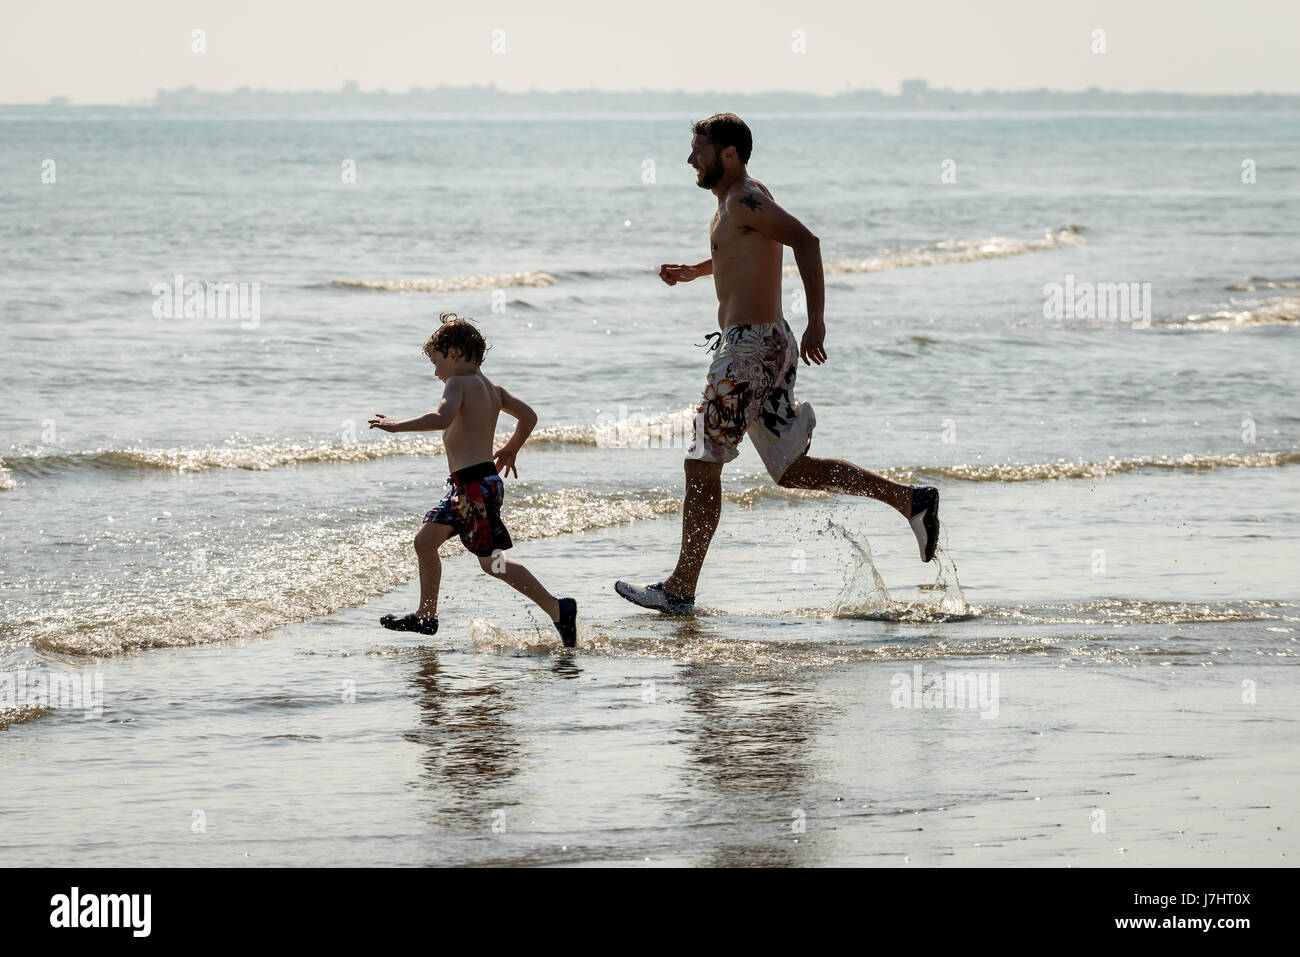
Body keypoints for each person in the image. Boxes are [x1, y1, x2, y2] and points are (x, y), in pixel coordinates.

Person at [615, 113, 940, 615]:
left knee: (701, 462)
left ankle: (680, 588)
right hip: (766, 344)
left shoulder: (744, 197)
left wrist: (818, 322)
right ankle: (909, 501)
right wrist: (694, 272)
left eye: (699, 149)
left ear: (729, 153)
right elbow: (742, 253)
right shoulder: (739, 202)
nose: (689, 159)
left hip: (748, 349)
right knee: (790, 469)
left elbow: (806, 242)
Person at [369, 313, 578, 645]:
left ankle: (557, 607)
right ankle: (426, 615)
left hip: (473, 489)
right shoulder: (493, 389)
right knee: (426, 542)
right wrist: (511, 449)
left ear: (454, 353)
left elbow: (442, 417)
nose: (436, 372)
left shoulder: (458, 383)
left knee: (492, 564)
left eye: (436, 362)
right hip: (476, 485)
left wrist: (396, 426)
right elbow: (529, 416)